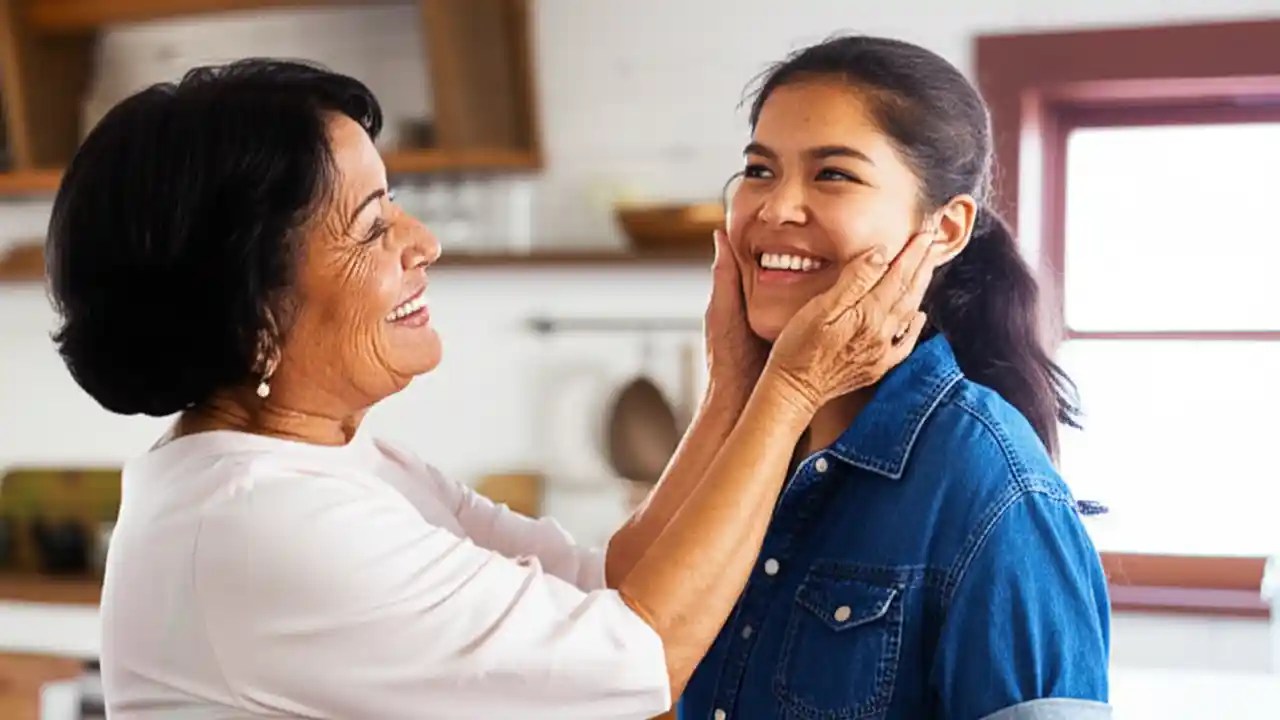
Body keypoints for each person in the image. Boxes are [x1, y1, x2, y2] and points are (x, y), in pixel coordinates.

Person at [45, 59, 935, 719]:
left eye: (396, 201)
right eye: (370, 226)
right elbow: (644, 658)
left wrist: (736, 386)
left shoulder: (338, 462)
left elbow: (613, 585)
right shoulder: (258, 522)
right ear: (256, 317)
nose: (421, 240)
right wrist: (789, 392)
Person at [677, 36, 1112, 720]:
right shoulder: (748, 448)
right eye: (760, 170)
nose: (775, 209)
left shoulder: (997, 487)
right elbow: (630, 638)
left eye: (833, 176)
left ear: (945, 230)